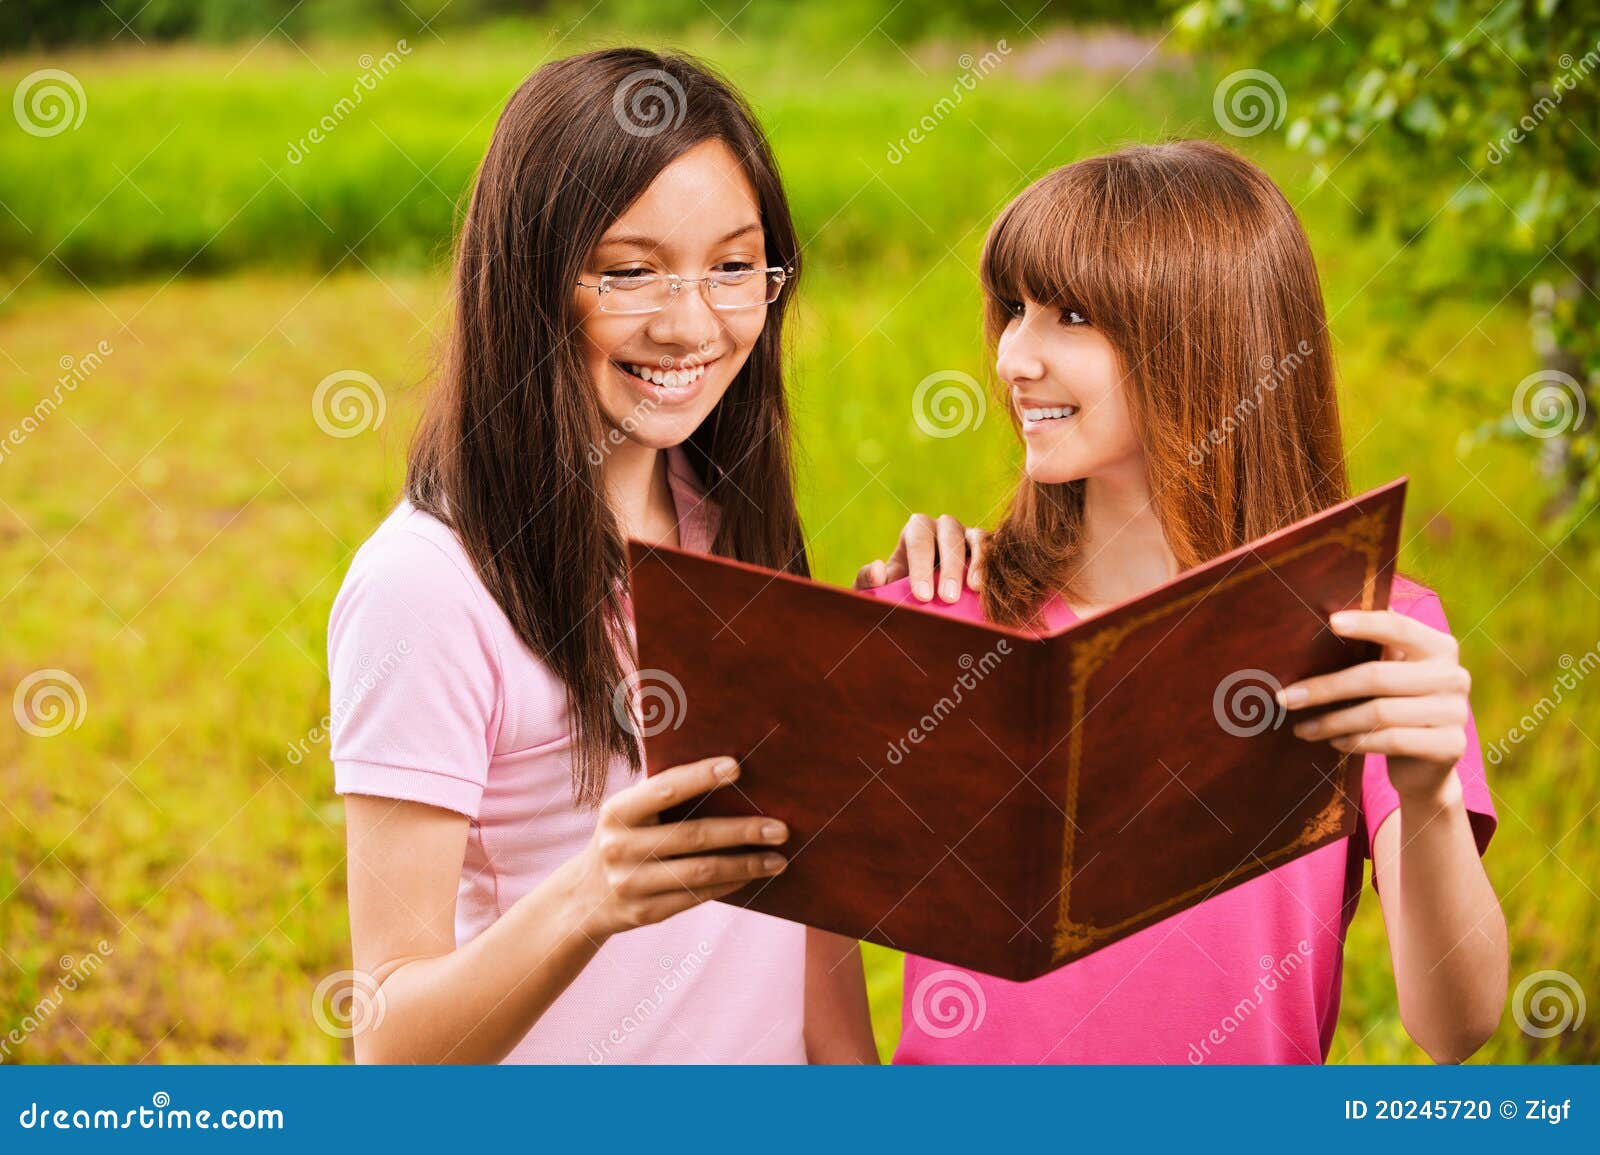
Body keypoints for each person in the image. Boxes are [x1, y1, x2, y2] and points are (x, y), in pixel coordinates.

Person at [862, 140, 1507, 1064]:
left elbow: (1456, 1025)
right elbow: (800, 931)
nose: (1013, 357)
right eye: (1014, 309)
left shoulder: (1367, 638)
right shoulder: (942, 613)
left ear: (1206, 344)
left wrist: (1431, 793)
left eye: (1071, 315)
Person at [328, 48, 904, 1064]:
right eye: (632, 271)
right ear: (529, 282)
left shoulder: (737, 531)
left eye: (734, 267)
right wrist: (591, 896)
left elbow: (798, 896)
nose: (690, 324)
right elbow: (391, 1045)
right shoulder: (427, 586)